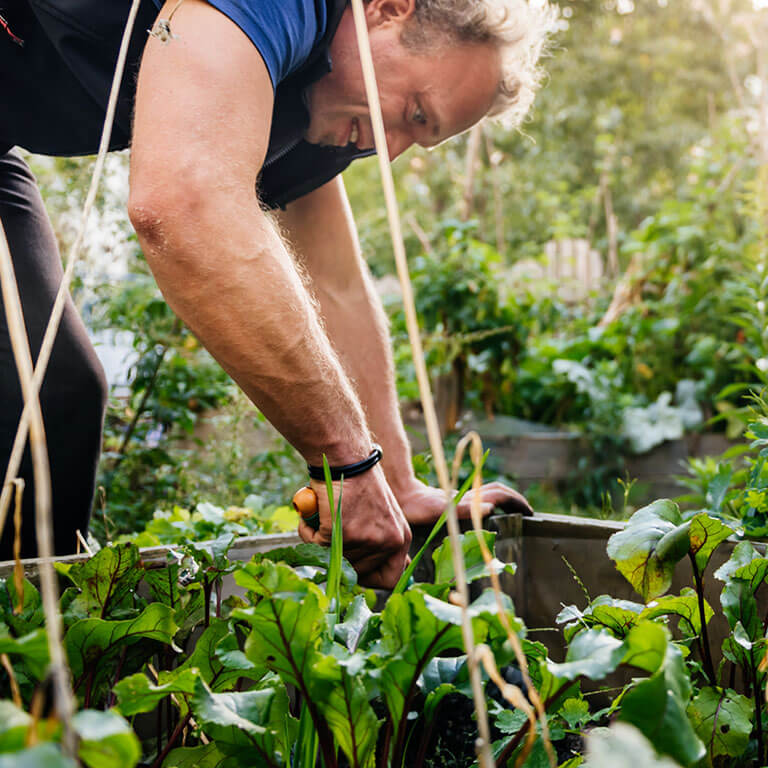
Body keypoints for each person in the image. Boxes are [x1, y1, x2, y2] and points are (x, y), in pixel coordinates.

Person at [0, 0, 555, 585]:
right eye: (414, 113)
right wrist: (344, 466)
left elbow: (334, 285)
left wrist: (391, 479)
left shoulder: (323, 97)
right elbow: (183, 206)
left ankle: (31, 657)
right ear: (387, 10)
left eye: (420, 138)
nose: (389, 150)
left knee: (52, 391)